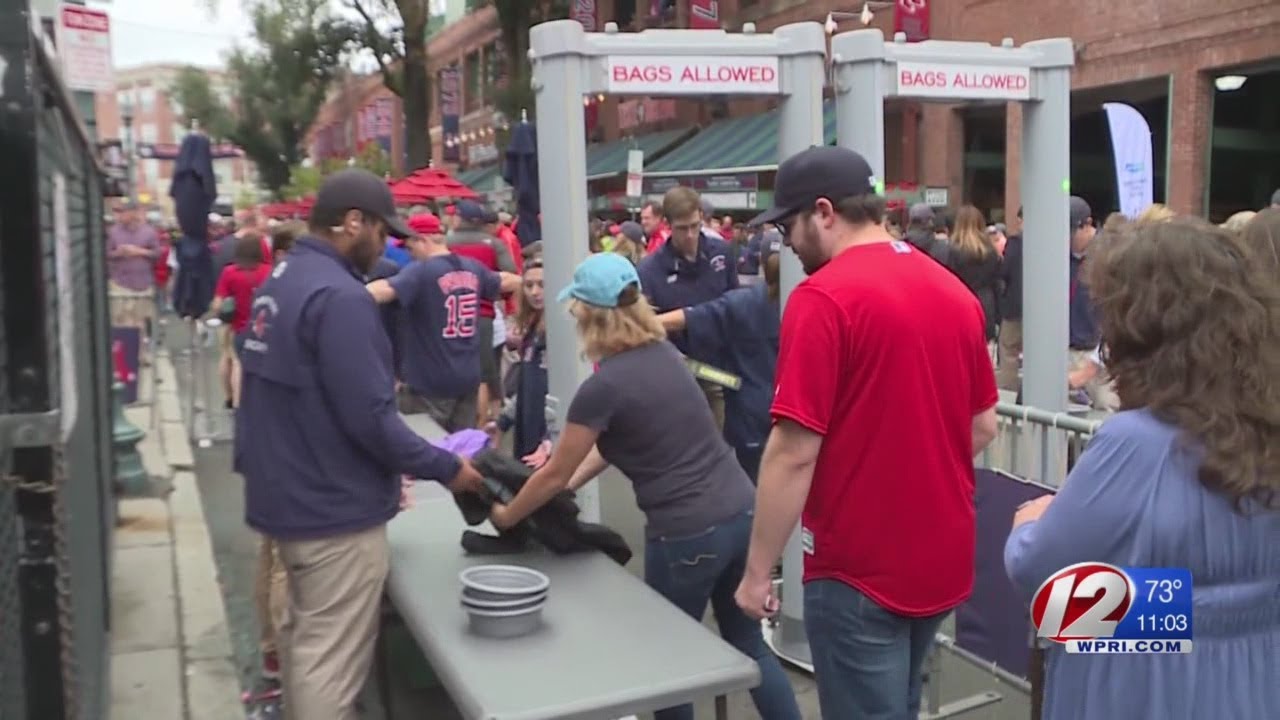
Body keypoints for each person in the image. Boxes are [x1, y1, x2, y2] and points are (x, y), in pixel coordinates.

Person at [731, 146, 998, 720]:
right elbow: (983, 424)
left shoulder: (823, 298)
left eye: (787, 226)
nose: (786, 242)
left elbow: (792, 453)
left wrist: (756, 575)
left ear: (824, 212)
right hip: (941, 554)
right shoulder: (953, 290)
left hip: (857, 566)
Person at [487, 252, 801, 720]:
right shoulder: (666, 356)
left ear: (590, 316)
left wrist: (507, 515)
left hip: (685, 534)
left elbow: (553, 473)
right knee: (748, 643)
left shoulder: (604, 386)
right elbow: (615, 445)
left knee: (666, 662)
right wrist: (568, 483)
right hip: (741, 512)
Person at [1004, 218, 1280, 720]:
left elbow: (1047, 586)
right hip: (1255, 679)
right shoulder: (1267, 428)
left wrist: (1028, 526)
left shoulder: (1135, 444)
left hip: (1148, 686)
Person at [235, 169, 484, 720]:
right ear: (353, 222)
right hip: (330, 507)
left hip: (285, 489)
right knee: (328, 657)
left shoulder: (282, 280)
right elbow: (371, 418)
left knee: (305, 637)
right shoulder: (341, 297)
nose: (384, 242)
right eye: (380, 229)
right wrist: (447, 468)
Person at [367, 212, 520, 432]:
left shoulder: (420, 271)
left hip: (429, 383)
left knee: (424, 447)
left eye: (410, 247)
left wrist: (346, 294)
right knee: (460, 448)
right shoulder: (472, 267)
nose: (410, 254)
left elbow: (384, 290)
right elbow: (508, 280)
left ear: (422, 240)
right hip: (467, 378)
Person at [655, 230, 782, 482]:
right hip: (799, 422)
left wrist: (637, 325)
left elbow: (690, 317)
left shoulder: (743, 303)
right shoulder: (813, 302)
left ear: (760, 259)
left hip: (751, 423)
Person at [636, 186, 739, 431]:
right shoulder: (650, 270)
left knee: (721, 441)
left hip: (722, 369)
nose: (691, 235)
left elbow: (734, 304)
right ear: (667, 225)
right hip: (676, 375)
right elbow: (645, 327)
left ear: (702, 217)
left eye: (695, 225)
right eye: (683, 228)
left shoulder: (721, 253)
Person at [448, 201, 517, 423]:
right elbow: (510, 275)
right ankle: (491, 421)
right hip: (484, 314)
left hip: (452, 314)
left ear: (459, 218)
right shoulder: (494, 244)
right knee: (486, 371)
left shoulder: (447, 243)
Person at [210, 232, 271, 409]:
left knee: (232, 361)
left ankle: (234, 401)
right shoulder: (269, 271)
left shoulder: (230, 272)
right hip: (262, 327)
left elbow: (217, 304)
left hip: (237, 326)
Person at [948, 205, 1003, 352]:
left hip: (960, 304)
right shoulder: (991, 252)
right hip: (986, 304)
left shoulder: (951, 251)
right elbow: (997, 283)